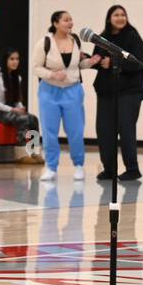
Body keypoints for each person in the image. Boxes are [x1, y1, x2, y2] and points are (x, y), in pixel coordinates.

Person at [33, 11, 100, 182]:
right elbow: (36, 68)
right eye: (66, 20)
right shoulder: (45, 42)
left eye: (71, 19)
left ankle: (78, 165)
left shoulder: (76, 40)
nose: (70, 22)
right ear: (56, 23)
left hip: (73, 90)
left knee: (76, 130)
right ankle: (51, 167)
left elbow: (76, 66)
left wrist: (90, 63)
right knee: (49, 131)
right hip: (49, 91)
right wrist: (51, 75)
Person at [93, 5, 143, 182]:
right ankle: (109, 169)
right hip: (106, 92)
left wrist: (114, 62)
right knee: (105, 131)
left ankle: (132, 169)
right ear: (109, 18)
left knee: (126, 130)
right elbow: (99, 59)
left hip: (129, 92)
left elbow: (138, 62)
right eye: (116, 15)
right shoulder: (103, 37)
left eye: (123, 14)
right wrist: (91, 60)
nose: (120, 18)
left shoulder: (132, 36)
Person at [0, 47, 41, 150]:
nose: (15, 62)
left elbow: (17, 100)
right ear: (5, 60)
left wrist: (20, 107)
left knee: (33, 119)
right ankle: (22, 151)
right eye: (12, 59)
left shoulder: (17, 78)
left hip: (11, 111)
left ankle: (34, 150)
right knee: (23, 119)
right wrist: (12, 109)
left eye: (17, 59)